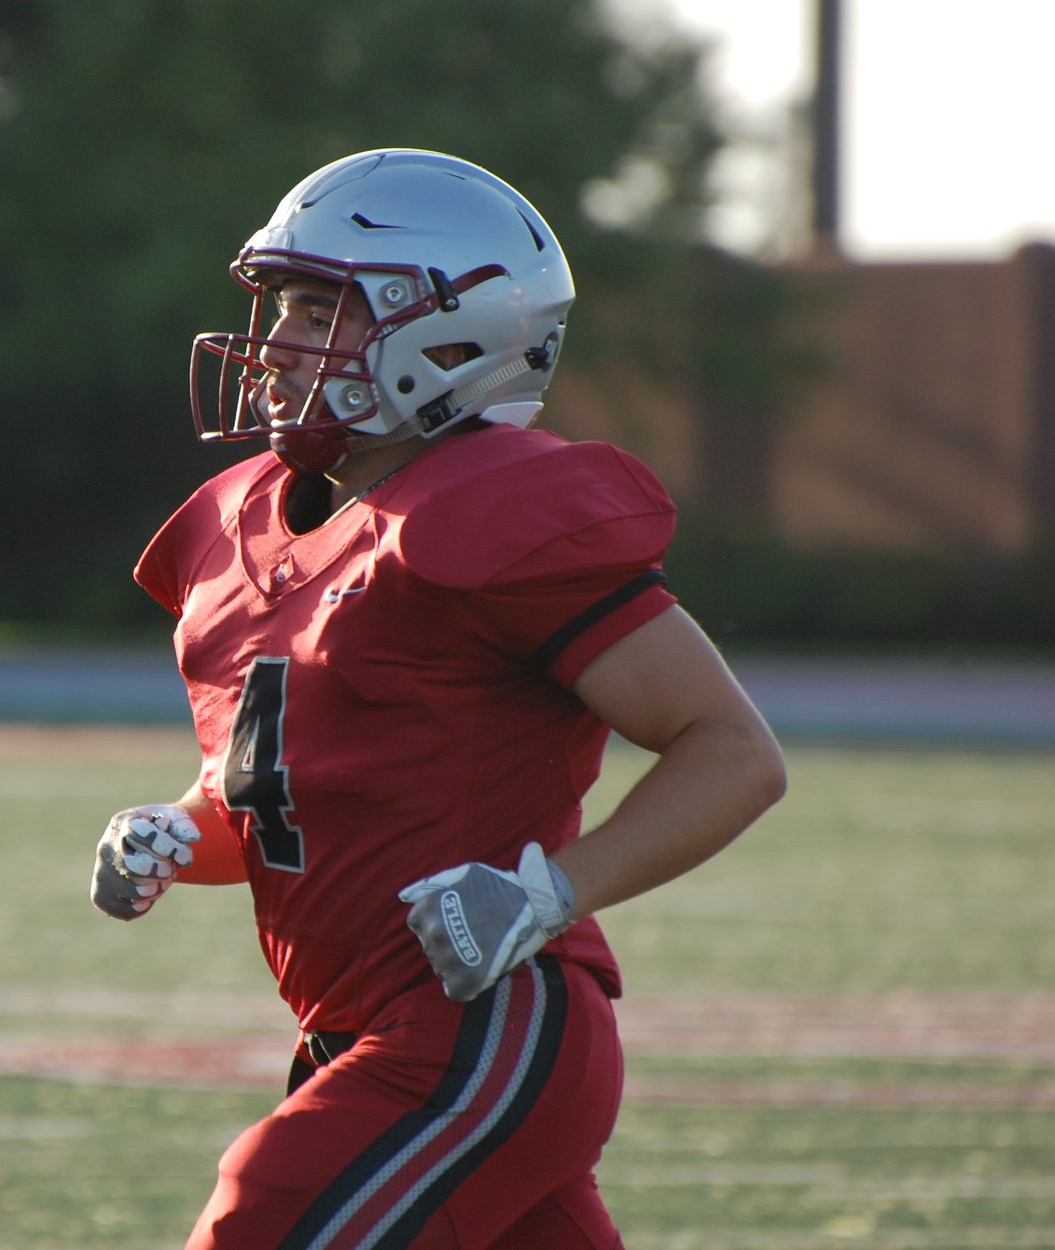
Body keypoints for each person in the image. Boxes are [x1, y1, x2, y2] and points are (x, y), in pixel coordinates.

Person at [89, 148, 786, 1250]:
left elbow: (732, 749)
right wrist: (183, 830)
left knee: (263, 1219)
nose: (276, 347)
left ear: (450, 333)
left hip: (481, 1027)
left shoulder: (489, 509)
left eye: (319, 310)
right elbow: (278, 796)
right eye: (279, 307)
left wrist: (550, 890)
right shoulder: (242, 524)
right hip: (359, 1028)